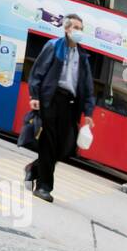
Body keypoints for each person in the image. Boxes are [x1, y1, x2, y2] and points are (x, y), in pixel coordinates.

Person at [24, 14, 94, 202]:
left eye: (81, 28)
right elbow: (37, 72)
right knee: (49, 142)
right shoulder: (53, 46)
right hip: (51, 99)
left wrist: (88, 112)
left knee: (65, 147)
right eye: (75, 28)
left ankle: (34, 168)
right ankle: (44, 187)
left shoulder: (83, 56)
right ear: (66, 29)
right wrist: (34, 96)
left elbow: (88, 87)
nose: (78, 32)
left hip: (70, 105)